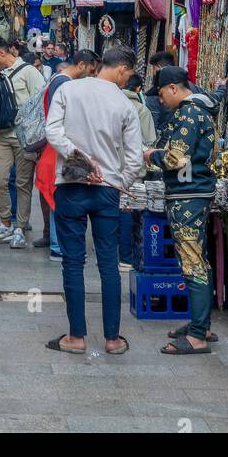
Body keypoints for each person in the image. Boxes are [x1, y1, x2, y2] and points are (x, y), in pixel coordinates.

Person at [45, 44, 142, 356]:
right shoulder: (125, 104)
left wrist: (79, 160)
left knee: (73, 262)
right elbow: (135, 159)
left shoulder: (68, 91)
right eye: (129, 74)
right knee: (108, 263)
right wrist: (118, 183)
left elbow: (52, 132)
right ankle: (112, 339)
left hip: (70, 185)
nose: (128, 80)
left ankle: (77, 337)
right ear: (122, 69)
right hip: (106, 191)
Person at [144, 66, 217, 357]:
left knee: (192, 261)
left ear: (174, 88)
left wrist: (151, 155)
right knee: (199, 258)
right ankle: (203, 325)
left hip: (188, 195)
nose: (161, 100)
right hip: (194, 192)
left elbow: (175, 158)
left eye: (162, 94)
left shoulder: (189, 112)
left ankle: (198, 335)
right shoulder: (201, 111)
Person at [0, 36, 46, 247]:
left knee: (22, 182)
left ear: (2, 53)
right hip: (1, 135)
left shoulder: (29, 72)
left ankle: (20, 227)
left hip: (23, 137)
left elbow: (41, 102)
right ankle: (5, 223)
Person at [33, 49, 97, 257]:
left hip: (55, 147)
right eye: (91, 69)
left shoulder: (57, 80)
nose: (91, 74)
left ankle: (58, 244)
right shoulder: (63, 84)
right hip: (58, 148)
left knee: (59, 196)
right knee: (59, 196)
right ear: (82, 65)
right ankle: (58, 246)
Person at [119, 73, 157, 270]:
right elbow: (149, 141)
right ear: (138, 89)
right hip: (135, 169)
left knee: (118, 211)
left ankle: (118, 255)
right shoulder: (142, 109)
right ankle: (129, 258)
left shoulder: (111, 104)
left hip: (112, 168)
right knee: (132, 211)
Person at [144, 51, 228, 132]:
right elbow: (212, 98)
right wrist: (222, 87)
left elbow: (150, 127)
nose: (162, 100)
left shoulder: (161, 91)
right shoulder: (189, 88)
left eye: (155, 71)